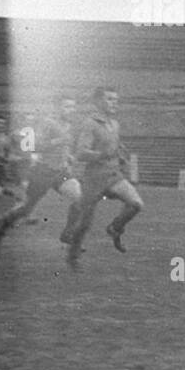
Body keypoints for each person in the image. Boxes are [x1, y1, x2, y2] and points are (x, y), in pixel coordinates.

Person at [0, 97, 82, 255]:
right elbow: (33, 145)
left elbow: (66, 147)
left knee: (81, 199)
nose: (71, 110)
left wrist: (68, 157)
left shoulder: (70, 125)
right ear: (57, 107)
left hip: (60, 172)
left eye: (73, 107)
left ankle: (67, 234)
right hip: (42, 172)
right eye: (67, 107)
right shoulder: (48, 123)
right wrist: (58, 141)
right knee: (26, 209)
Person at [64, 87, 144, 270]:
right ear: (98, 101)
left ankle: (115, 228)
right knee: (85, 224)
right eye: (109, 99)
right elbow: (80, 153)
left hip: (114, 176)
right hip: (94, 179)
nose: (114, 102)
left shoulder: (114, 124)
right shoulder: (90, 124)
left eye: (116, 99)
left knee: (136, 204)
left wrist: (121, 156)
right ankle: (72, 257)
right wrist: (102, 154)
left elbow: (115, 147)